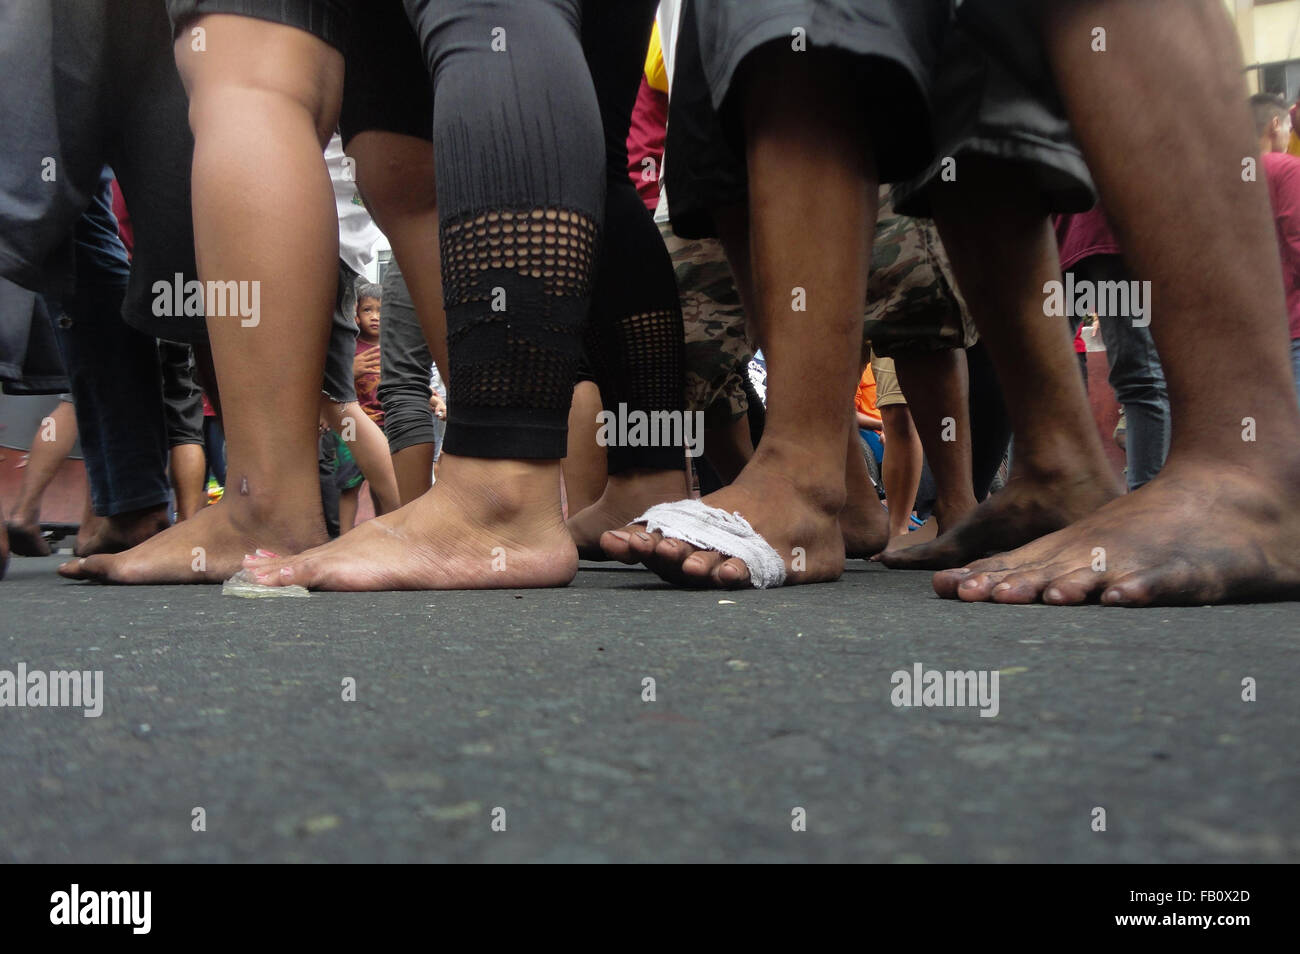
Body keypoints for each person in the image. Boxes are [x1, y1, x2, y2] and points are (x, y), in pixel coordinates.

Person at [1251, 93, 1300, 404]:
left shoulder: (1224, 178)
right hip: (1292, 320)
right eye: (1288, 129)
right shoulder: (1287, 169)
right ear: (1275, 124)